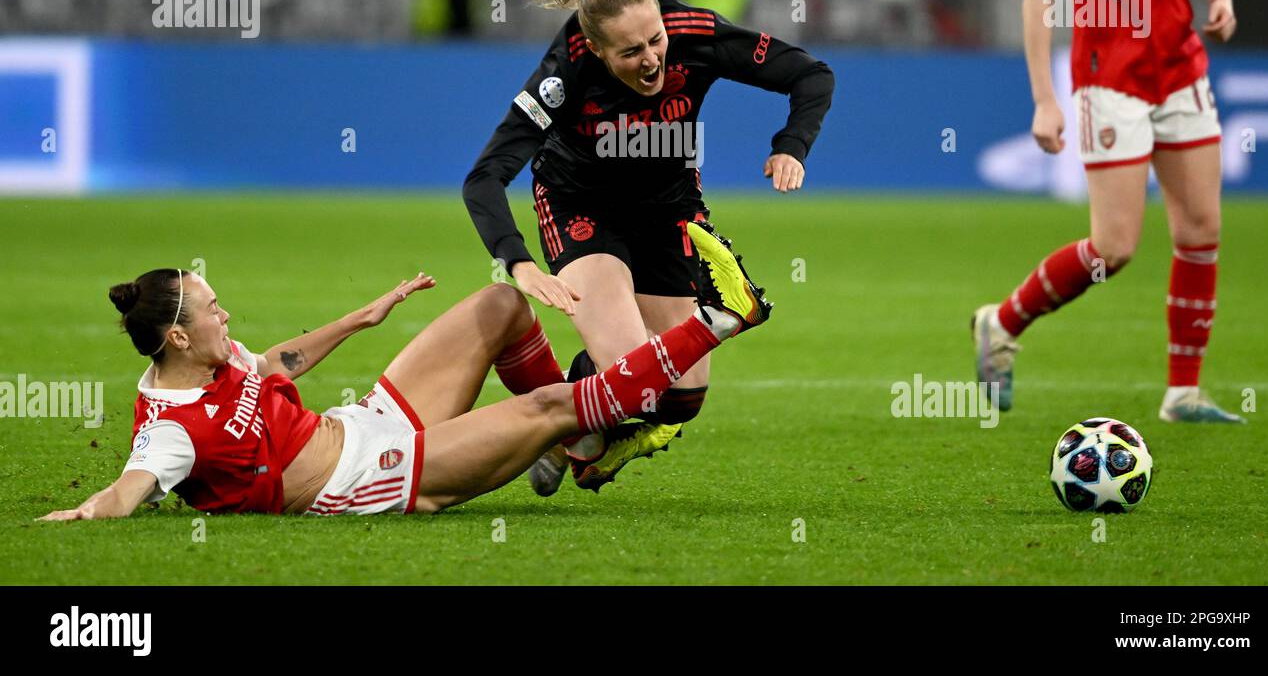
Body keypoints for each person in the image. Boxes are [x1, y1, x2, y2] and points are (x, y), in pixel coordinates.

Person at [37, 223, 771, 522]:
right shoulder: (170, 433)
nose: (225, 318)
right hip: (370, 479)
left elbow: (274, 364)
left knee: (501, 304)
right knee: (554, 401)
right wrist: (82, 512)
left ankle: (571, 452)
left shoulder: (214, 358)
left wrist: (365, 316)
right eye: (211, 310)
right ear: (175, 335)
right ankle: (721, 320)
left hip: (364, 424)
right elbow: (127, 492)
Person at [463, 0, 832, 493]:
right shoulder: (566, 70)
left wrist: (791, 145)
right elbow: (485, 177)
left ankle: (577, 414)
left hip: (667, 207)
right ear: (598, 49)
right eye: (631, 51)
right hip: (580, 206)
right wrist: (519, 263)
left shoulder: (693, 32)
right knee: (640, 382)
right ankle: (556, 426)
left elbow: (810, 74)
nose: (653, 59)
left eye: (655, 39)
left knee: (681, 399)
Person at [972, 0, 1241, 423]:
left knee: (1202, 230)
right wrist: (1043, 95)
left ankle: (1183, 392)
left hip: (1181, 72)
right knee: (1114, 249)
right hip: (1110, 82)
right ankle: (1001, 323)